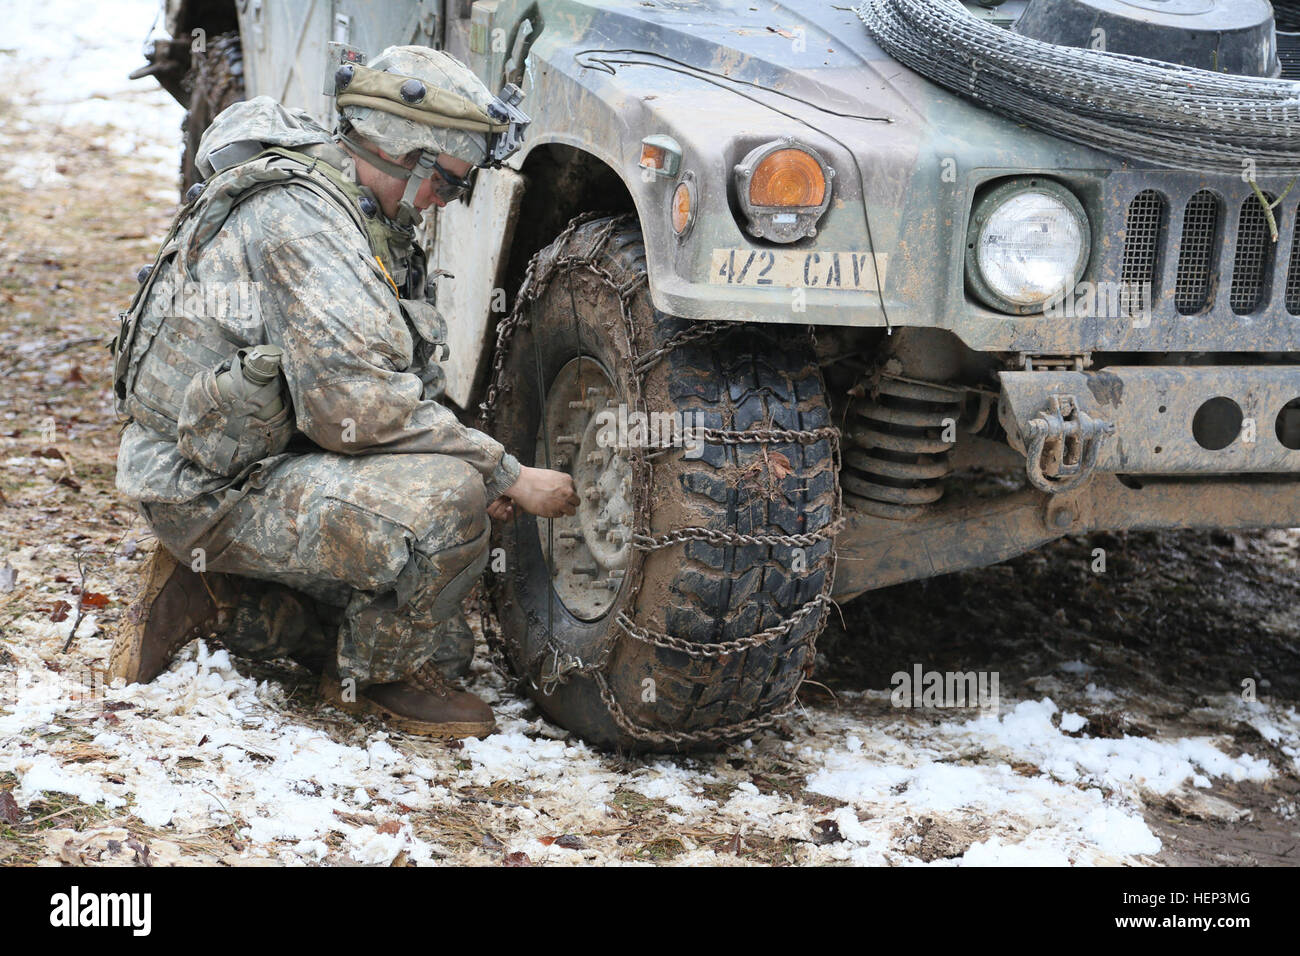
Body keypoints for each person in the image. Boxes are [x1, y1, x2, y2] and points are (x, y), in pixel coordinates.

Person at [109, 45, 577, 738]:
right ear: (407, 155)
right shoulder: (305, 221)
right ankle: (366, 683)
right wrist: (502, 469)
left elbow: (387, 383)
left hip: (252, 460)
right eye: (448, 181)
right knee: (446, 508)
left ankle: (219, 594)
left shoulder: (362, 215)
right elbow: (352, 408)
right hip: (205, 484)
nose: (446, 200)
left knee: (447, 640)